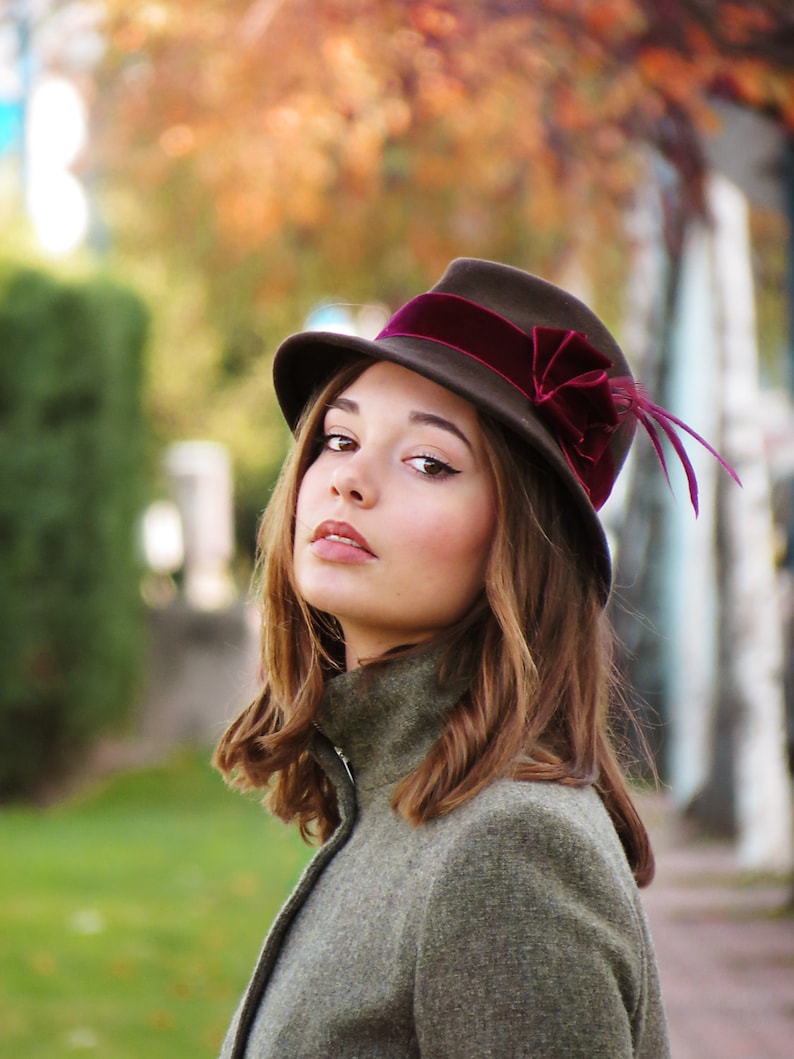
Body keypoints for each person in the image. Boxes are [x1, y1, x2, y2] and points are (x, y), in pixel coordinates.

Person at [215, 258, 736, 1058]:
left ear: (519, 543)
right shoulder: (396, 809)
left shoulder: (507, 852)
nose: (349, 479)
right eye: (340, 437)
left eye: (429, 462)